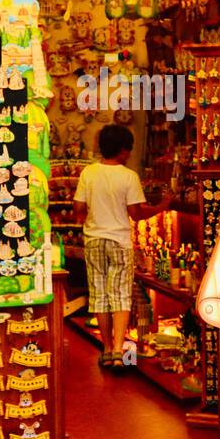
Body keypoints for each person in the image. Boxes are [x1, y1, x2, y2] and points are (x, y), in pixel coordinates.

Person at [74, 125, 171, 369]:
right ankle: (118, 351)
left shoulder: (88, 173)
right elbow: (136, 214)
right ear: (122, 150)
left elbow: (78, 209)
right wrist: (162, 206)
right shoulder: (129, 177)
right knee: (119, 296)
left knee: (99, 296)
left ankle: (106, 349)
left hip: (94, 240)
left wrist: (92, 220)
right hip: (119, 241)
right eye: (128, 148)